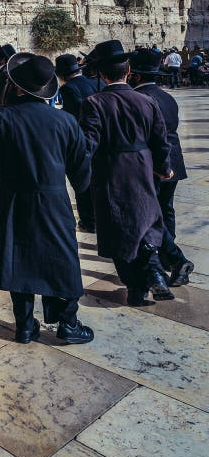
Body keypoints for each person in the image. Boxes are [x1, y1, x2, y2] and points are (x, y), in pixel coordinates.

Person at [0, 53, 94, 345]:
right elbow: (81, 171)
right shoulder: (65, 121)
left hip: (12, 200)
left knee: (18, 258)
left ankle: (24, 326)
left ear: (16, 87)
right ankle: (68, 322)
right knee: (60, 258)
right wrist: (84, 190)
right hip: (53, 201)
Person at [79, 40, 174, 306]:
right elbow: (160, 140)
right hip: (143, 168)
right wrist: (164, 168)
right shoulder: (147, 100)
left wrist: (77, 172)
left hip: (111, 172)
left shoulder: (94, 103)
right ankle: (153, 268)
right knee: (147, 218)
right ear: (128, 70)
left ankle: (136, 289)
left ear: (101, 74)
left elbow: (88, 144)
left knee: (118, 226)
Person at [128, 49, 194, 286]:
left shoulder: (139, 100)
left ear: (135, 75)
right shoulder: (166, 97)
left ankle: (173, 258)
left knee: (149, 215)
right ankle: (168, 257)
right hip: (173, 161)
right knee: (166, 209)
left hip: (154, 165)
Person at [56, 53, 104, 233]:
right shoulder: (94, 83)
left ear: (61, 74)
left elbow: (71, 117)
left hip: (82, 141)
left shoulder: (68, 89)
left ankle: (88, 220)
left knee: (82, 182)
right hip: (100, 138)